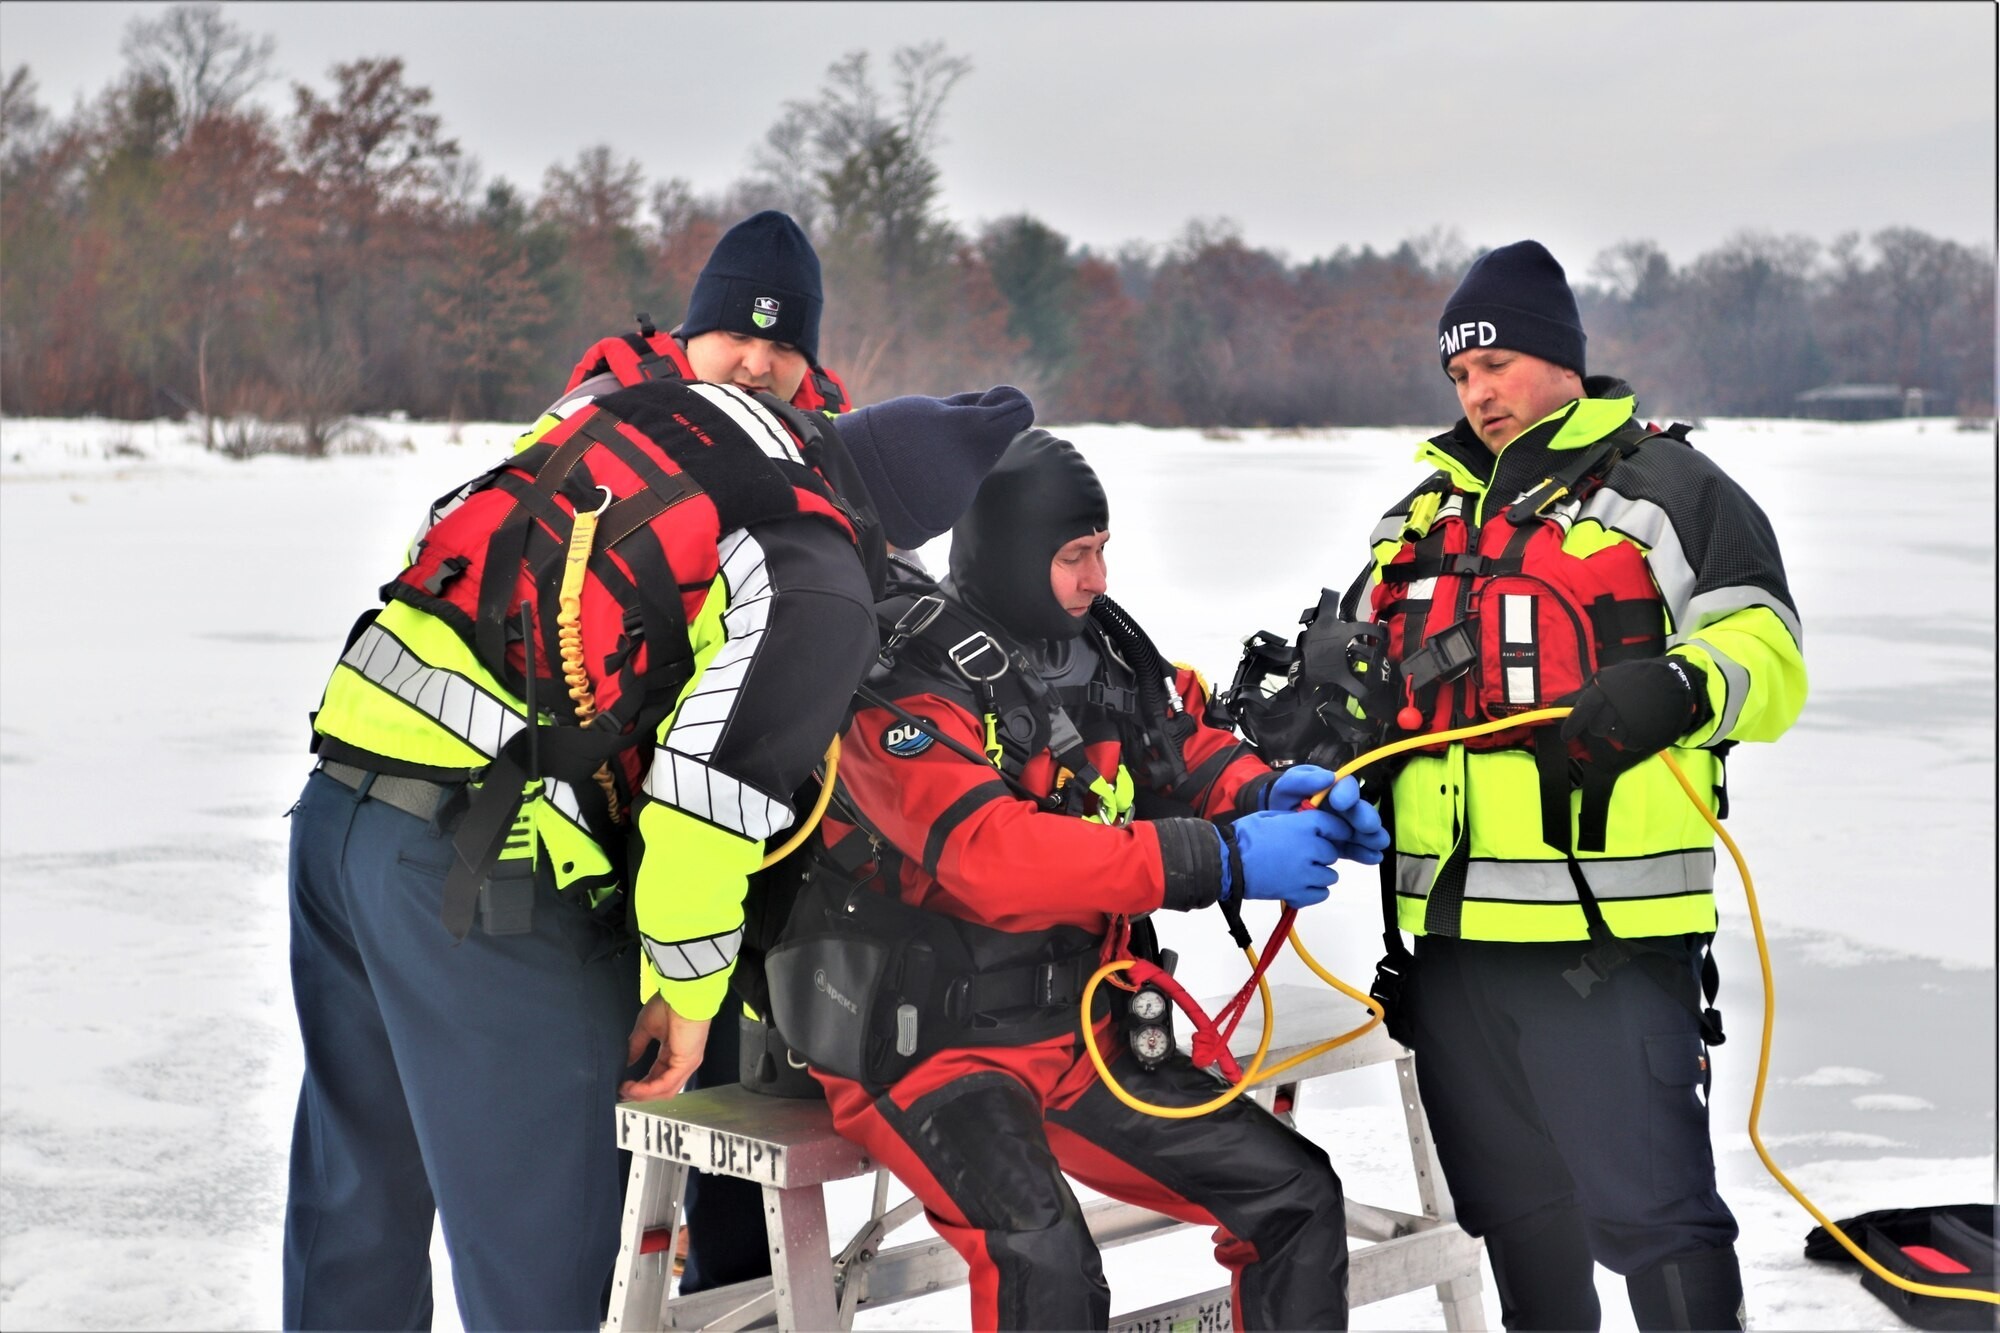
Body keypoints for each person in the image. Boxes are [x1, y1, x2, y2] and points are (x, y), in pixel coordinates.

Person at [281, 371, 1025, 1330]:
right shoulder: (817, 568)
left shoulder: (658, 408)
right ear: (894, 530)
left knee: (358, 1201)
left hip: (341, 806)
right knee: (538, 1269)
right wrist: (686, 995)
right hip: (480, 875)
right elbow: (701, 809)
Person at [769, 428, 1391, 1330]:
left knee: (1295, 1196)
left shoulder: (1102, 656)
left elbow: (1177, 743)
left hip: (1082, 1028)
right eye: (1073, 555)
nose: (1096, 577)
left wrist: (1265, 789)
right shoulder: (903, 687)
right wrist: (1218, 857)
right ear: (1015, 555)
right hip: (933, 1043)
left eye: (1102, 550)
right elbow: (992, 855)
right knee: (1044, 1259)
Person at [1343, 241, 1807, 1330]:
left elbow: (1770, 650)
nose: (1477, 392)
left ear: (1558, 357)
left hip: (1606, 942)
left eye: (1495, 363)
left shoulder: (1669, 488)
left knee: (1655, 1218)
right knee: (1514, 1215)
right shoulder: (1415, 522)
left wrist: (1683, 687)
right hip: (1447, 948)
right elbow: (1361, 676)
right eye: (1459, 376)